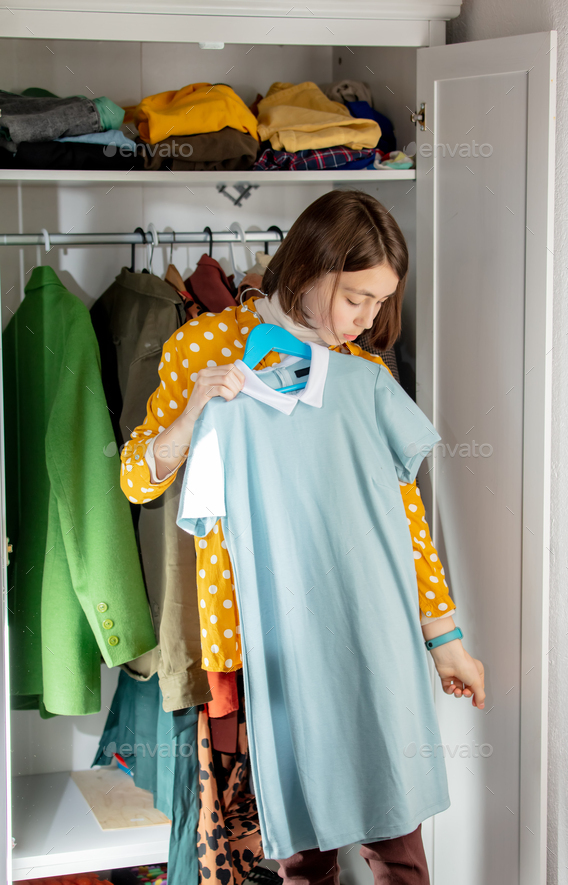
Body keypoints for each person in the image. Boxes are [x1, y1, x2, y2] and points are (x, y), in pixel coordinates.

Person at [120, 190, 485, 885]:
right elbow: (139, 478)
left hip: (363, 632)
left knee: (396, 832)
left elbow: (407, 522)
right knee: (298, 851)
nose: (368, 320)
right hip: (259, 639)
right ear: (312, 267)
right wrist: (197, 409)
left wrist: (448, 642)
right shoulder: (205, 345)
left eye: (380, 303)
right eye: (356, 298)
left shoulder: (366, 375)